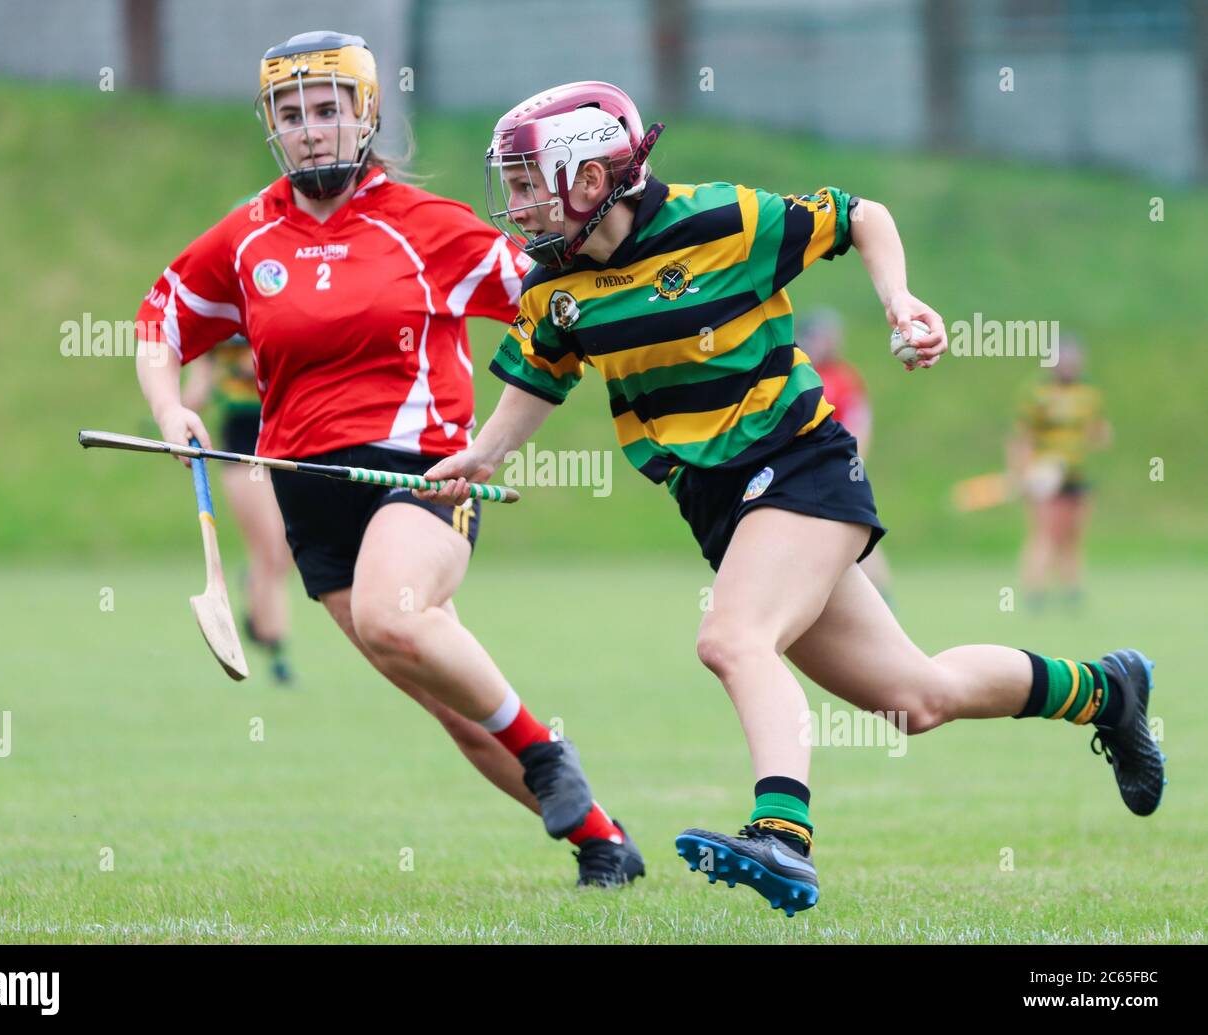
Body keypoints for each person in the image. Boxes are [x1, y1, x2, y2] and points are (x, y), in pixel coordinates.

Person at [419, 81, 1164, 915]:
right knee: (916, 698)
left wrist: (899, 302)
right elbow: (539, 379)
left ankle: (782, 835)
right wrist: (480, 455)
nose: (513, 203)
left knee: (734, 637)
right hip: (715, 502)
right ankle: (1106, 690)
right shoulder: (552, 281)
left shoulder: (723, 221)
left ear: (590, 180)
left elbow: (860, 214)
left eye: (527, 182)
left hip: (800, 462)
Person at [133, 35, 644, 887]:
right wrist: (168, 407)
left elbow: (554, 301)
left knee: (394, 615)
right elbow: (160, 318)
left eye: (327, 109)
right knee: (453, 709)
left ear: (364, 113)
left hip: (419, 476)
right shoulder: (249, 235)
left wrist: (644, 329)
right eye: (291, 115)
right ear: (272, 127)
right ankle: (603, 842)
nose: (310, 131)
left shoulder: (426, 227)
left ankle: (548, 758)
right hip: (310, 498)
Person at [181, 334, 295, 683]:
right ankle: (277, 654)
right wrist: (183, 413)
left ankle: (253, 586)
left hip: (289, 443)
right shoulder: (217, 330)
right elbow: (196, 390)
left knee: (287, 550)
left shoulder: (278, 317)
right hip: (242, 445)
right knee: (270, 552)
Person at [798, 309, 893, 604]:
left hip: (838, 464)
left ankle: (883, 598)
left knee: (856, 529)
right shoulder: (794, 373)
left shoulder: (843, 378)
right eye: (824, 336)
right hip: (801, 467)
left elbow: (860, 420)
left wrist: (855, 458)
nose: (831, 343)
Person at [1009, 337, 1111, 610]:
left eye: (1073, 360)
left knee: (1073, 536)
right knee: (1044, 534)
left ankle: (1071, 591)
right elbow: (1023, 437)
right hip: (1045, 478)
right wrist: (1024, 472)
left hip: (1076, 476)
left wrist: (1100, 435)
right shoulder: (1037, 393)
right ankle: (1035, 592)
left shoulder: (1088, 395)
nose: (1068, 365)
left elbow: (1097, 432)